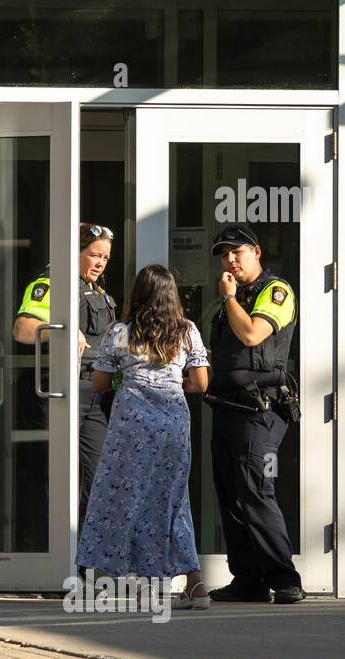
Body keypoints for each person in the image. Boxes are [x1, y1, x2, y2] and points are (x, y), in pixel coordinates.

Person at [77, 264, 211, 607]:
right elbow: (199, 383)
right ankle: (195, 586)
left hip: (131, 427)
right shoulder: (186, 331)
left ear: (137, 294)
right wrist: (170, 383)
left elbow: (99, 383)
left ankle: (124, 580)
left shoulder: (121, 332)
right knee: (173, 500)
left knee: (123, 497)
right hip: (173, 426)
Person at [203, 226, 305, 604]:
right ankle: (247, 579)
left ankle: (285, 579)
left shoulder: (275, 292)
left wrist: (229, 298)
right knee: (231, 497)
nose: (230, 260)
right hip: (227, 408)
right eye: (224, 254)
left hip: (260, 412)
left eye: (237, 252)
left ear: (257, 252)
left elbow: (251, 335)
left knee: (257, 492)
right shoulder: (230, 301)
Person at [12, 223, 117, 531]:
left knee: (97, 473)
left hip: (97, 392)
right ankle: (56, 550)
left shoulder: (95, 289)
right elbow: (22, 329)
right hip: (63, 390)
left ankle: (87, 552)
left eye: (106, 258)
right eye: (93, 255)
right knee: (60, 476)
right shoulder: (52, 283)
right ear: (75, 253)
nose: (99, 263)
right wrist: (63, 331)